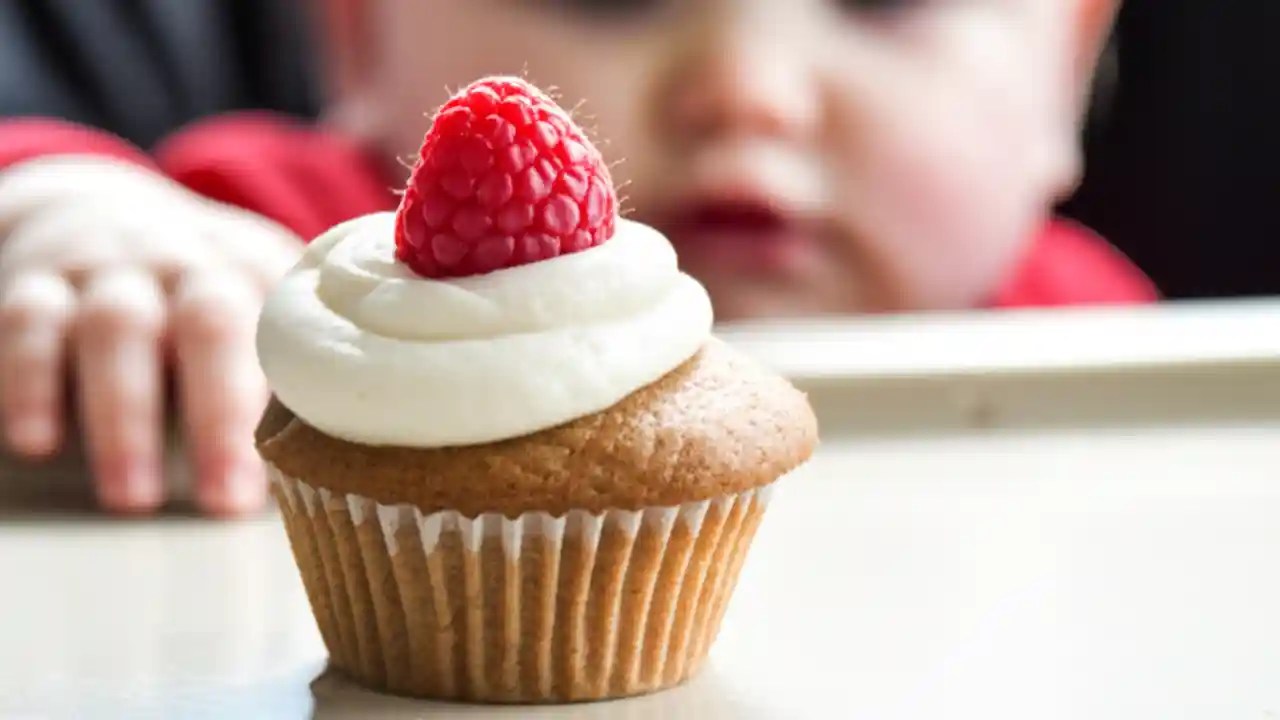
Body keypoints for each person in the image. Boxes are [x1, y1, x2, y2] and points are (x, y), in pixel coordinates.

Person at [0, 0, 1157, 517]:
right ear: (355, 33)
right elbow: (91, 232)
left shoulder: (1105, 339)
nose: (742, 89)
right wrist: (75, 218)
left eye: (886, 1)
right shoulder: (304, 266)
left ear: (1065, 66)